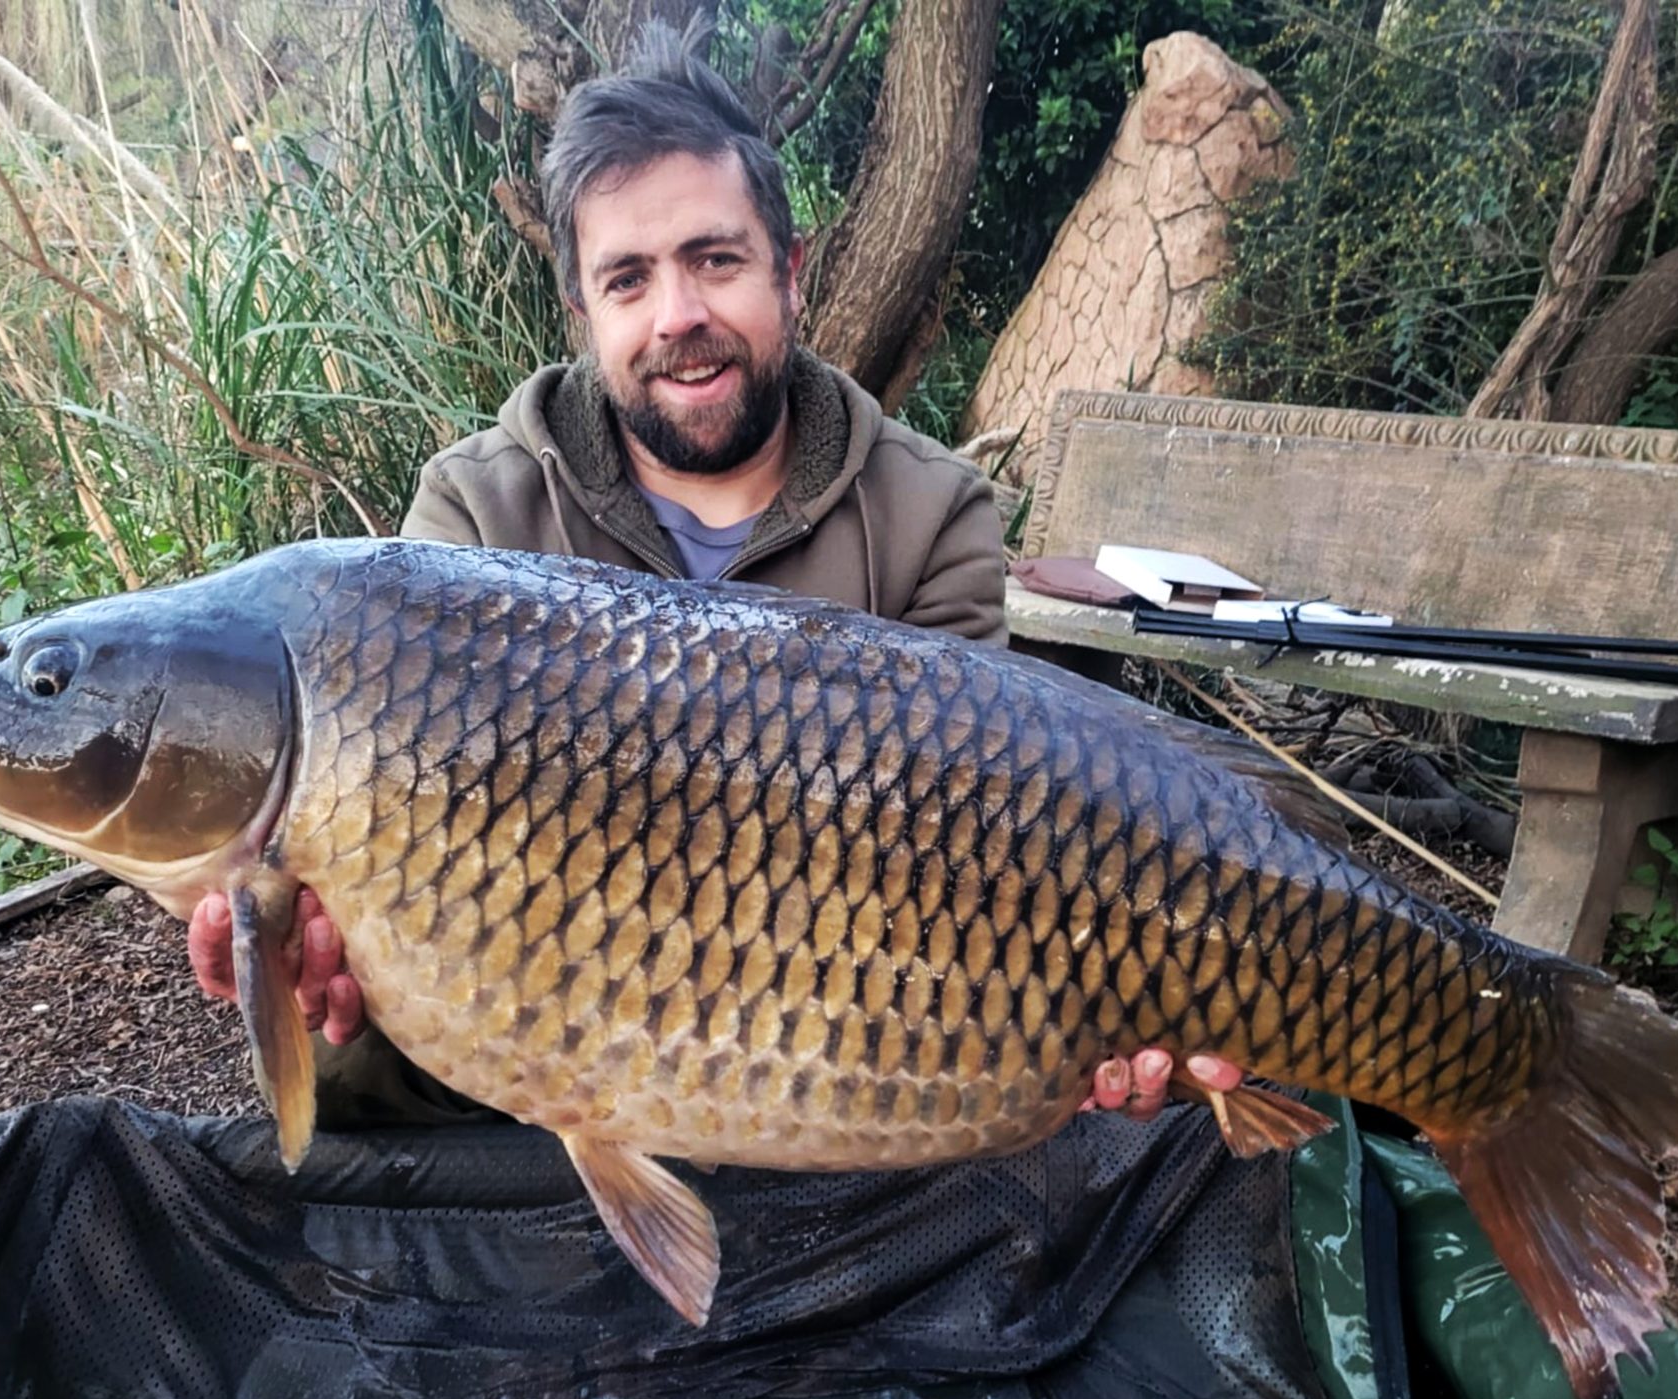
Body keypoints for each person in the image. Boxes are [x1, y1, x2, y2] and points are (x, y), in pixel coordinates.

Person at [184, 21, 1244, 1128]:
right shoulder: (473, 519)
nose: (678, 314)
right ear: (583, 313)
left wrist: (1101, 1012)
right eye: (628, 279)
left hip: (845, 1063)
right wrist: (309, 971)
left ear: (790, 273)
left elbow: (988, 873)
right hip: (532, 1074)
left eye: (715, 260)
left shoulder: (930, 515)